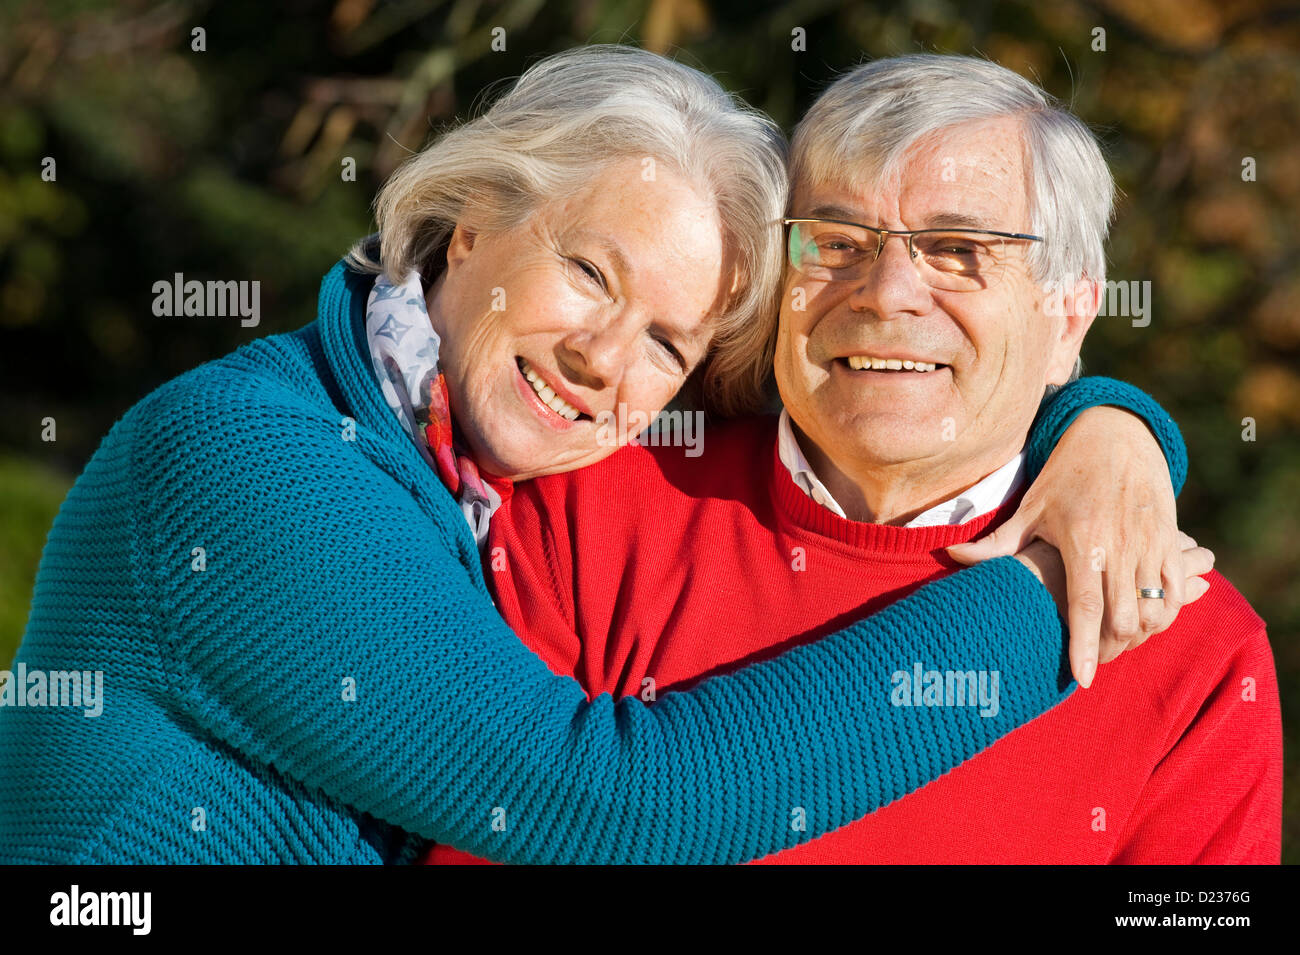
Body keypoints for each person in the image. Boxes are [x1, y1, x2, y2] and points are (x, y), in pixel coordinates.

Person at [0, 46, 1201, 865]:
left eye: (672, 340)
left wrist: (1106, 427)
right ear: (471, 221)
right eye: (587, 272)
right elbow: (607, 797)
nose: (605, 362)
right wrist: (1050, 595)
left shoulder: (493, 459)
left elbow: (898, 372)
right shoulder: (256, 457)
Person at [447, 53, 1281, 864]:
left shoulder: (1186, 640)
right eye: (837, 241)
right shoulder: (586, 504)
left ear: (1068, 318)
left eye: (959, 248)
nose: (886, 292)